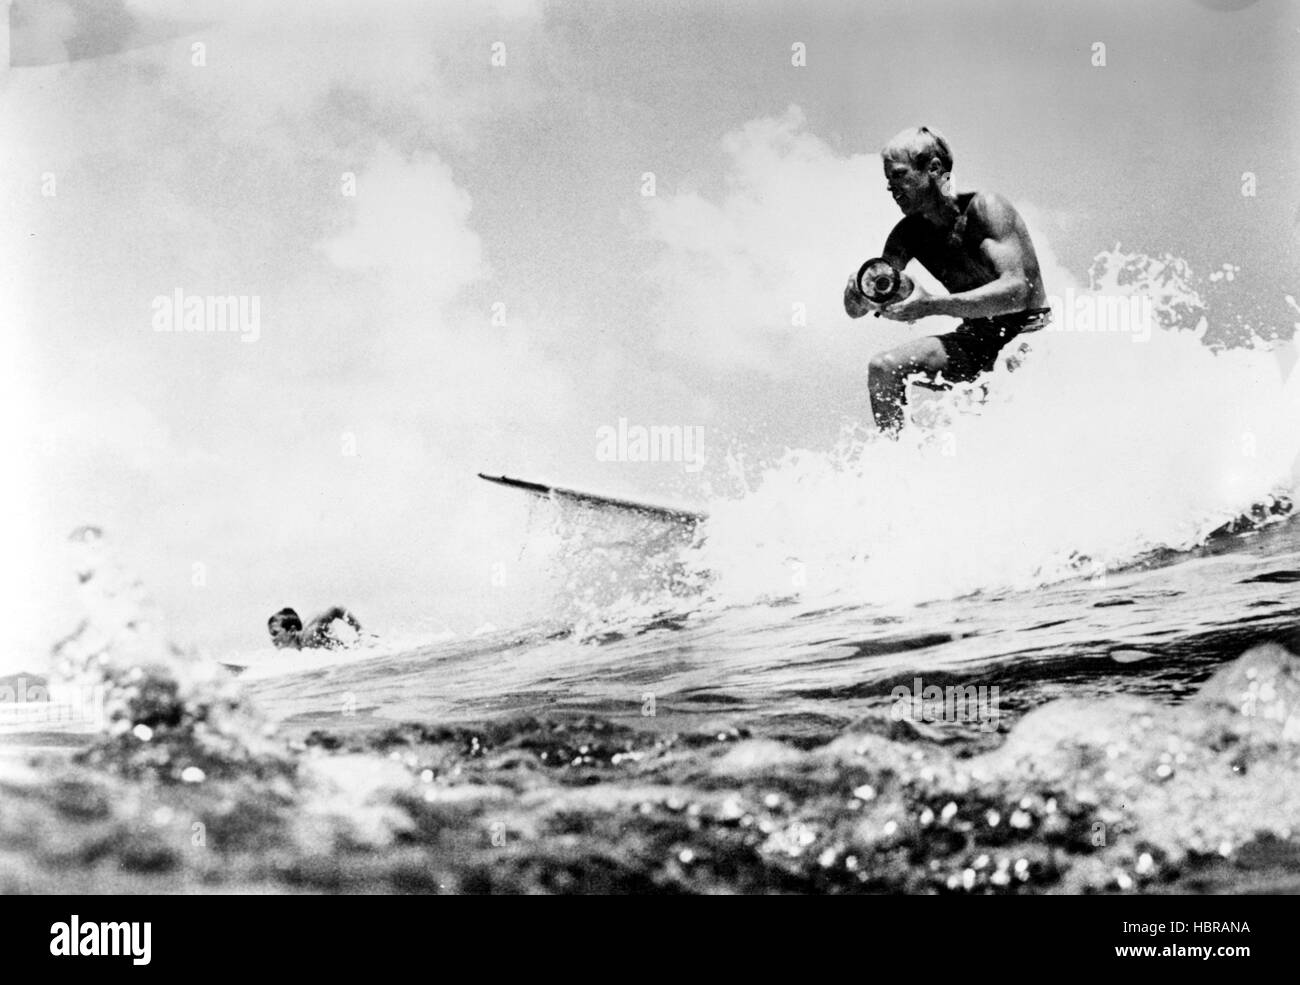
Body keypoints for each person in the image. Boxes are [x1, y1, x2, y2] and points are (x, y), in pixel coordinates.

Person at [845, 126, 1051, 433]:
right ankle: (900, 467)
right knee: (883, 369)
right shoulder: (907, 235)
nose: (892, 188)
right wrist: (858, 291)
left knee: (1001, 398)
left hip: (1027, 334)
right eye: (888, 181)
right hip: (976, 339)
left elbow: (1017, 291)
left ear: (934, 168)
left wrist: (932, 305)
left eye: (899, 175)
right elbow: (859, 307)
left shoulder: (986, 208)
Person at [267, 606, 362, 650]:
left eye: (275, 633)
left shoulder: (308, 637)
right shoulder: (298, 648)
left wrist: (361, 633)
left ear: (292, 631)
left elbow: (336, 610)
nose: (272, 639)